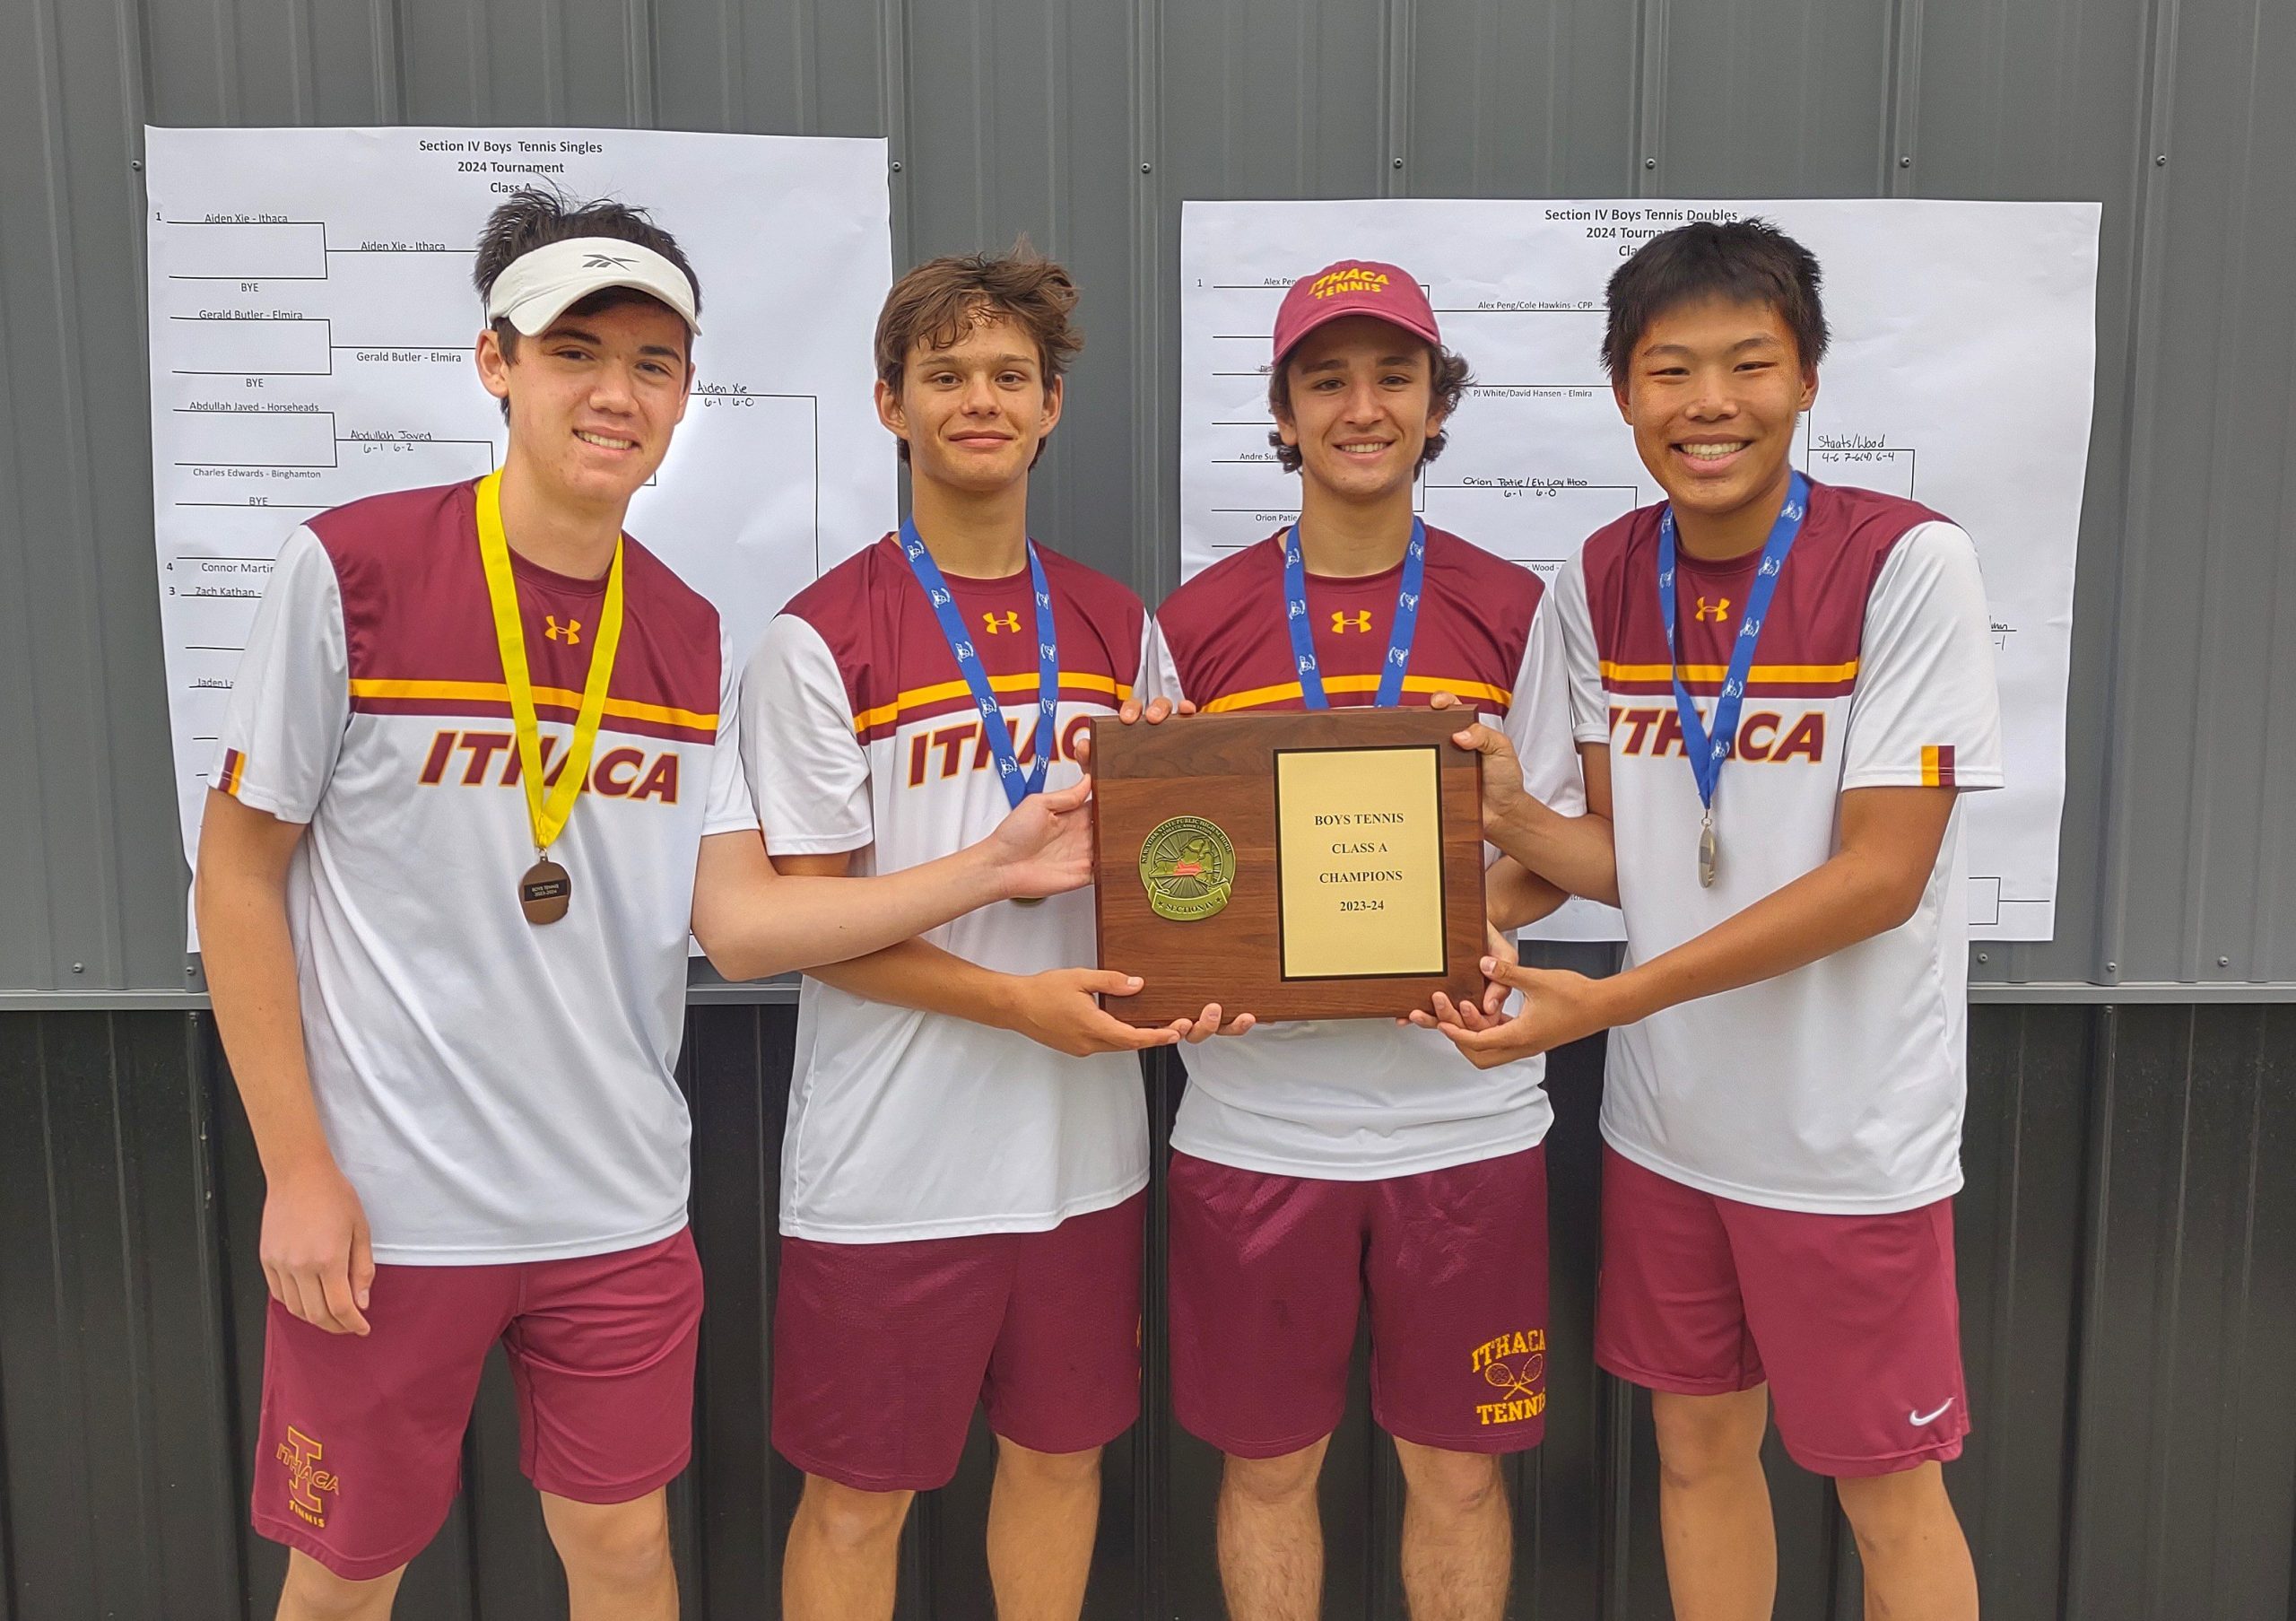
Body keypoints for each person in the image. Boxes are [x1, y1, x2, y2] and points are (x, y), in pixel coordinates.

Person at [196, 192, 1092, 1621]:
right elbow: (236, 873)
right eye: (576, 351)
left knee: (622, 1557)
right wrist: (298, 1170)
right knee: (348, 1576)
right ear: (498, 363)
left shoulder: (682, 631)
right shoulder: (354, 568)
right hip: (388, 1211)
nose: (616, 393)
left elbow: (741, 925)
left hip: (617, 1209)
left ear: (685, 395)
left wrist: (994, 865)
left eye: (653, 363)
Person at [1431, 219, 1999, 1621]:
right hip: (1673, 1129)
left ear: (1807, 378)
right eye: (1670, 369)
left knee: (1886, 1490)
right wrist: (1506, 811)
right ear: (1623, 391)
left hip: (1846, 1136)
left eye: (1749, 364)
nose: (1710, 404)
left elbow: (1881, 879)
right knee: (1696, 1453)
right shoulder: (1601, 575)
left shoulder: (1909, 565)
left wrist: (1608, 1004)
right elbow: (1643, 864)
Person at [741, 248, 1235, 1621]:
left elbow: (1173, 874)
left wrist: (1226, 942)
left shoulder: (1115, 627)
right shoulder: (815, 639)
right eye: (945, 375)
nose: (980, 400)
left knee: (1061, 1464)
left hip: (1082, 1156)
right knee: (856, 1499)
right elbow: (800, 925)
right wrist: (1014, 1004)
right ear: (889, 404)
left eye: (1009, 376)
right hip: (892, 1166)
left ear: (1051, 408)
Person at [1141, 260, 1586, 1621]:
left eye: (1393, 377)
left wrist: (1445, 933)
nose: (1360, 407)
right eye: (1325, 380)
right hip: (1255, 1126)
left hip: (1464, 1118)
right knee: (1269, 1474)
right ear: (1282, 413)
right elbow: (1174, 876)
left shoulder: (1522, 606)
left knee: (1457, 1478)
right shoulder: (1195, 621)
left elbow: (1555, 854)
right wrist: (1208, 952)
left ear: (1436, 403)